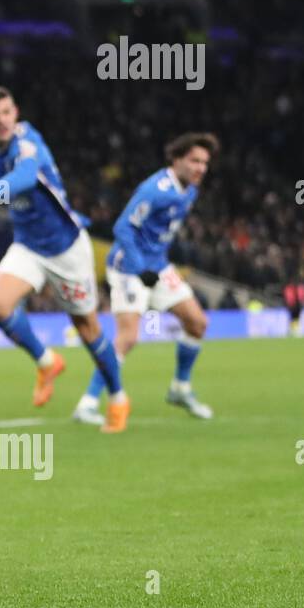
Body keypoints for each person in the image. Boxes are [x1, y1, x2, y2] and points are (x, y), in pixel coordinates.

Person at [0, 86, 130, 432]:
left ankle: (118, 398)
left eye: (6, 113)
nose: (1, 121)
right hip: (29, 245)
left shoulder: (29, 142)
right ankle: (47, 362)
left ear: (15, 112)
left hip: (66, 249)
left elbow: (25, 179)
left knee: (87, 329)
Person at [74, 133, 219, 425]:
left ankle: (180, 388)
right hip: (129, 267)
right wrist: (141, 267)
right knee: (128, 338)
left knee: (197, 323)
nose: (200, 167)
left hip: (158, 267)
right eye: (194, 160)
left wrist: (157, 265)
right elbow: (123, 228)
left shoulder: (189, 191)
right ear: (176, 160)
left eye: (204, 162)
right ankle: (87, 404)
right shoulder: (155, 190)